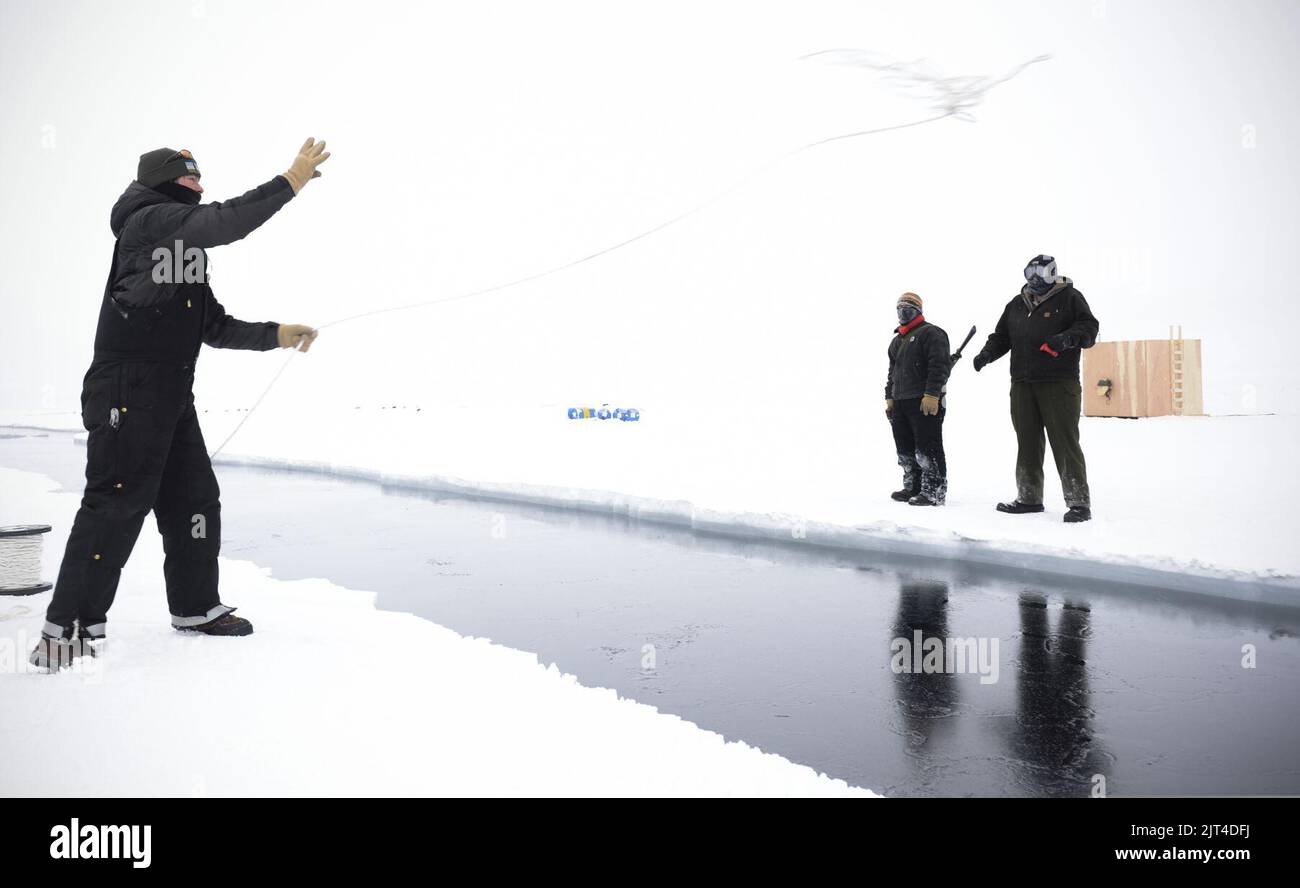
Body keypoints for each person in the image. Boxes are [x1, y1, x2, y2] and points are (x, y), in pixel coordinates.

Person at [31, 140, 330, 670]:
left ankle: (195, 608)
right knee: (115, 505)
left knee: (194, 500)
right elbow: (226, 223)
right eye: (191, 180)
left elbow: (212, 325)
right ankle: (67, 631)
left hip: (169, 396)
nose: (200, 187)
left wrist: (277, 334)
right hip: (126, 393)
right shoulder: (148, 224)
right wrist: (290, 181)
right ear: (166, 183)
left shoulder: (181, 255)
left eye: (200, 179)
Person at [971, 255, 1099, 523]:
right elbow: (1001, 337)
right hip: (1022, 383)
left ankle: (1078, 503)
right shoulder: (1017, 304)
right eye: (1030, 272)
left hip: (1058, 382)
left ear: (1052, 273)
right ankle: (1029, 498)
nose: (1034, 278)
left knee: (1064, 442)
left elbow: (1088, 328)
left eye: (1040, 272)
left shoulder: (1070, 299)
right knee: (1027, 440)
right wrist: (986, 354)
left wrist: (1064, 340)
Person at [885, 292, 951, 506]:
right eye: (900, 308)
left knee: (927, 446)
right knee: (904, 448)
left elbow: (939, 367)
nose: (903, 312)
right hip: (901, 401)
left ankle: (933, 490)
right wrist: (889, 398)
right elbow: (891, 373)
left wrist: (932, 395)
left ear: (918, 310)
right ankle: (912, 486)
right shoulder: (897, 341)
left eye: (908, 307)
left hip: (923, 401)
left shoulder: (932, 333)